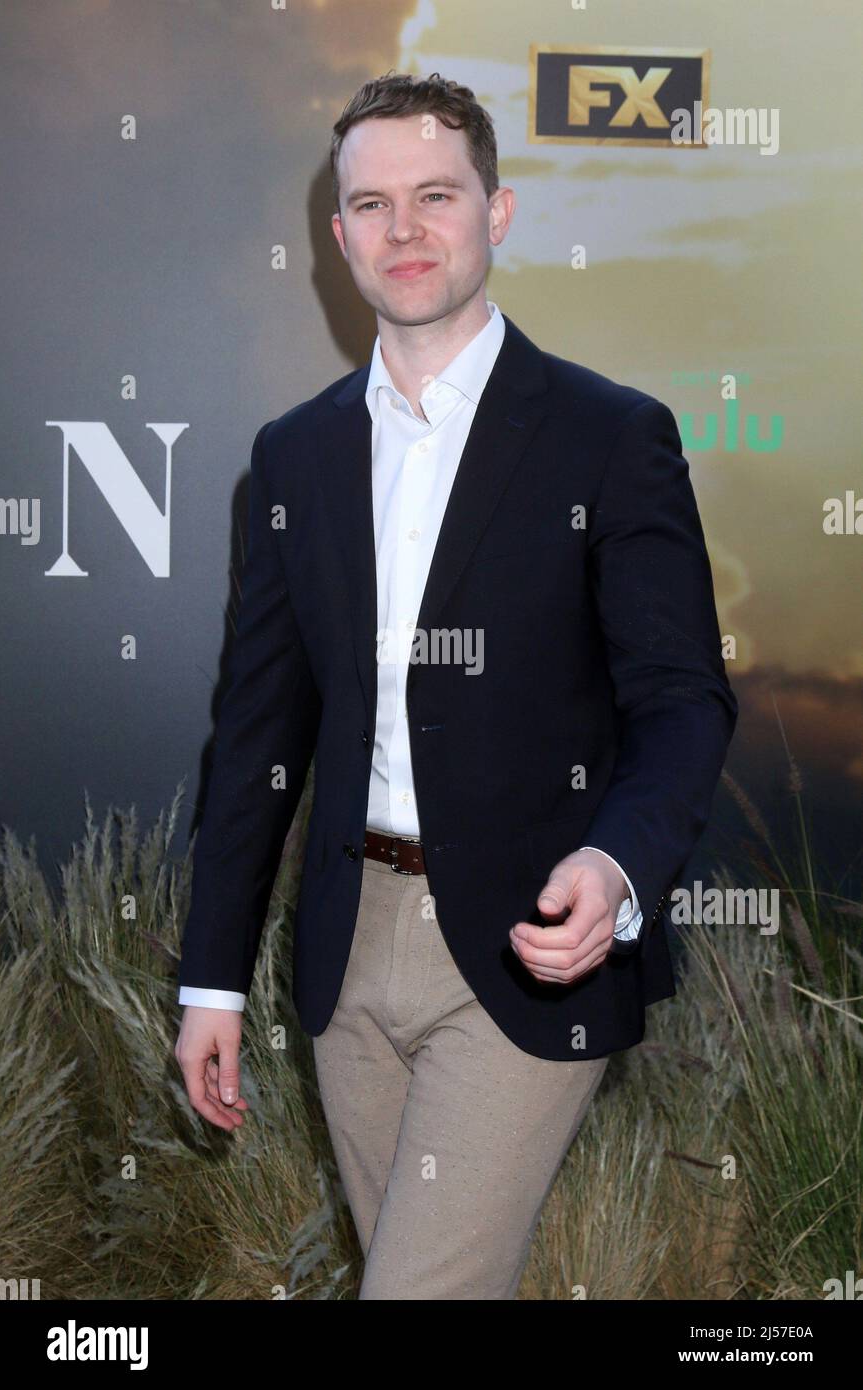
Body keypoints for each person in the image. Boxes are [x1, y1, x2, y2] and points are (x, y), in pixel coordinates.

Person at [174, 71, 738, 1299]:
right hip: (345, 954)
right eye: (370, 205)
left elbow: (681, 700)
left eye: (436, 194)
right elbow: (255, 738)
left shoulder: (609, 435)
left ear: (499, 210)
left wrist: (618, 863)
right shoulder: (295, 455)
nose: (403, 229)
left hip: (524, 940)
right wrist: (212, 978)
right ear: (337, 240)